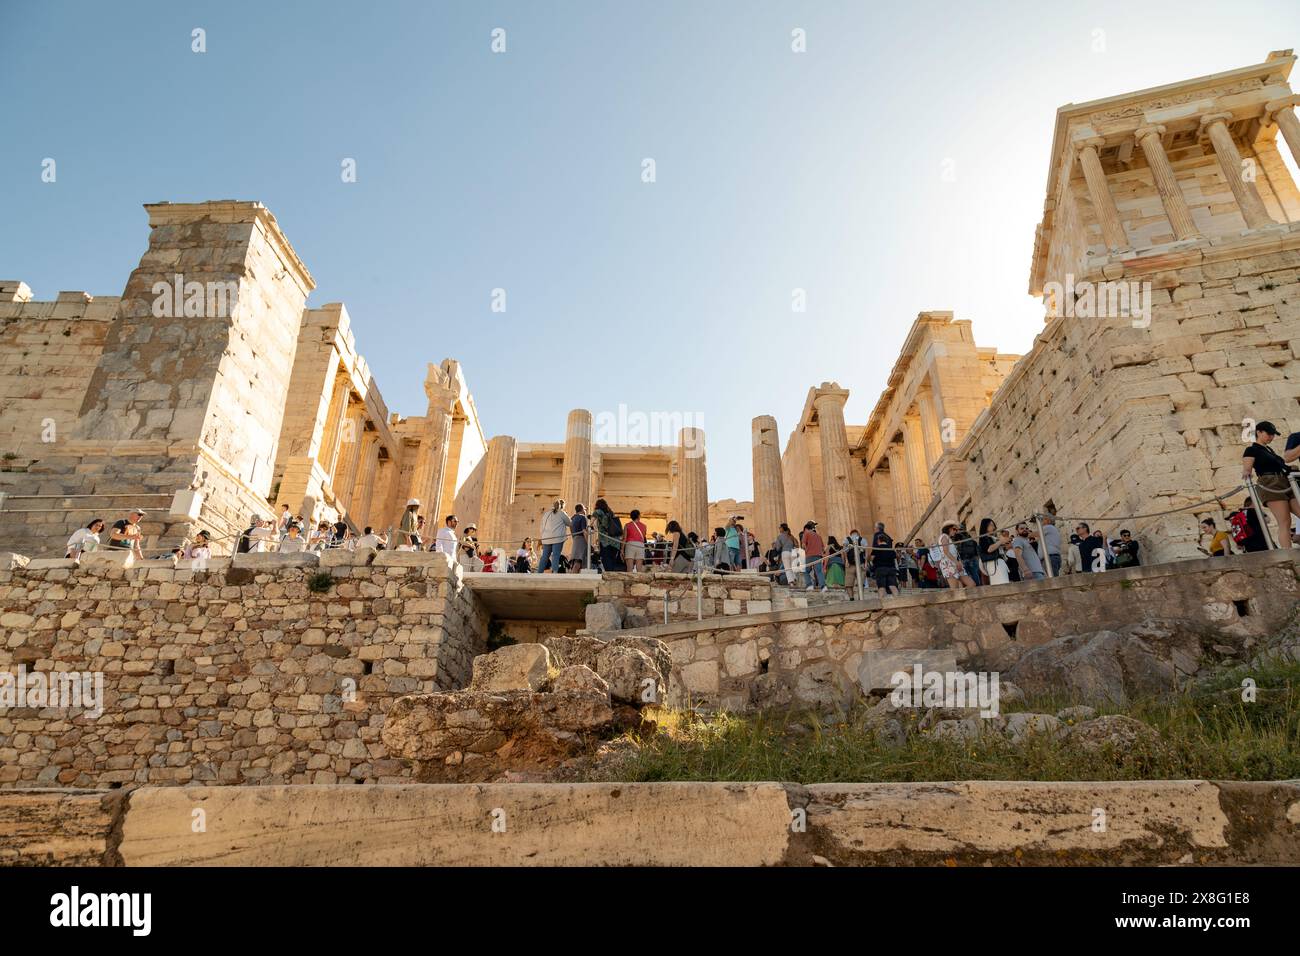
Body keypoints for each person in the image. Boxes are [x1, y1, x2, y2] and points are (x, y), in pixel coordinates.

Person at [1242, 421, 1298, 547]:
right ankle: (1288, 553)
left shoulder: (1269, 450)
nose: (1271, 437)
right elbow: (1247, 468)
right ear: (1259, 432)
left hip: (1286, 482)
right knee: (1284, 521)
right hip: (1270, 484)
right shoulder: (1251, 449)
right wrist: (1246, 472)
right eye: (1269, 433)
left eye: (1273, 434)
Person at [938, 521, 978, 588]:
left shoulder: (948, 538)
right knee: (955, 589)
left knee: (972, 584)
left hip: (955, 564)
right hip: (948, 564)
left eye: (956, 530)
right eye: (954, 529)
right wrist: (957, 562)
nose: (955, 531)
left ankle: (963, 596)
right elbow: (946, 551)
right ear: (948, 528)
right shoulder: (944, 536)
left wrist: (958, 562)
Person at [592, 499, 624, 572]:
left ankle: (609, 575)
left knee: (606, 559)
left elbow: (594, 516)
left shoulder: (599, 511)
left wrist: (590, 525)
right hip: (615, 541)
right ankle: (612, 574)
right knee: (612, 559)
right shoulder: (610, 512)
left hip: (605, 541)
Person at [870, 523, 900, 596]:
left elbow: (871, 558)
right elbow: (897, 557)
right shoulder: (890, 548)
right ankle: (898, 600)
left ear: (879, 540)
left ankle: (882, 603)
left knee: (881, 587)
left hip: (880, 568)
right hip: (891, 568)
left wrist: (871, 563)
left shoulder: (877, 547)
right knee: (892, 586)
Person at [978, 518, 1009, 585]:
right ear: (985, 526)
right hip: (994, 564)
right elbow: (989, 549)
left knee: (1004, 583)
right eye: (991, 525)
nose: (994, 527)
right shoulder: (984, 538)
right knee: (1001, 584)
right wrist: (1000, 541)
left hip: (998, 563)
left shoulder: (993, 538)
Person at [800, 521, 826, 591]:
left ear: (806, 529)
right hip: (818, 555)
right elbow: (823, 548)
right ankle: (823, 586)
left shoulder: (806, 534)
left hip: (809, 555)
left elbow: (803, 545)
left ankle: (809, 585)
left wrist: (805, 550)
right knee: (819, 571)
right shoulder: (818, 536)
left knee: (806, 571)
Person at [775, 522, 800, 587]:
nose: (779, 529)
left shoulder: (780, 536)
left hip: (785, 552)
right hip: (793, 552)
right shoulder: (791, 536)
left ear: (782, 528)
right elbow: (796, 544)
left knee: (787, 568)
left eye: (780, 528)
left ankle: (791, 582)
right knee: (793, 567)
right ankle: (794, 578)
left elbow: (777, 548)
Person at [569, 503, 590, 571]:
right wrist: (588, 543)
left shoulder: (572, 518)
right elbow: (584, 531)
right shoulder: (582, 517)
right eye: (584, 509)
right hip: (581, 540)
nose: (585, 511)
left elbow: (571, 530)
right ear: (582, 509)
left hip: (575, 539)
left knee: (575, 561)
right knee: (579, 561)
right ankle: (572, 577)